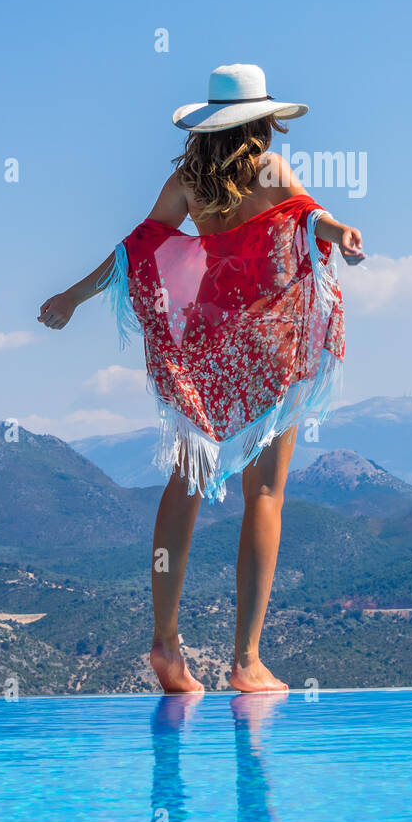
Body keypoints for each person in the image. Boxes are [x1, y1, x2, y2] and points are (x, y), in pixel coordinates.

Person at [38, 63, 364, 694]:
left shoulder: (188, 179)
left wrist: (72, 297)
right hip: (268, 345)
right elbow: (308, 218)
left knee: (186, 479)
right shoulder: (269, 170)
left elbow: (136, 250)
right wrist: (342, 232)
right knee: (264, 493)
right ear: (263, 120)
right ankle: (246, 661)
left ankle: (165, 642)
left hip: (206, 345)